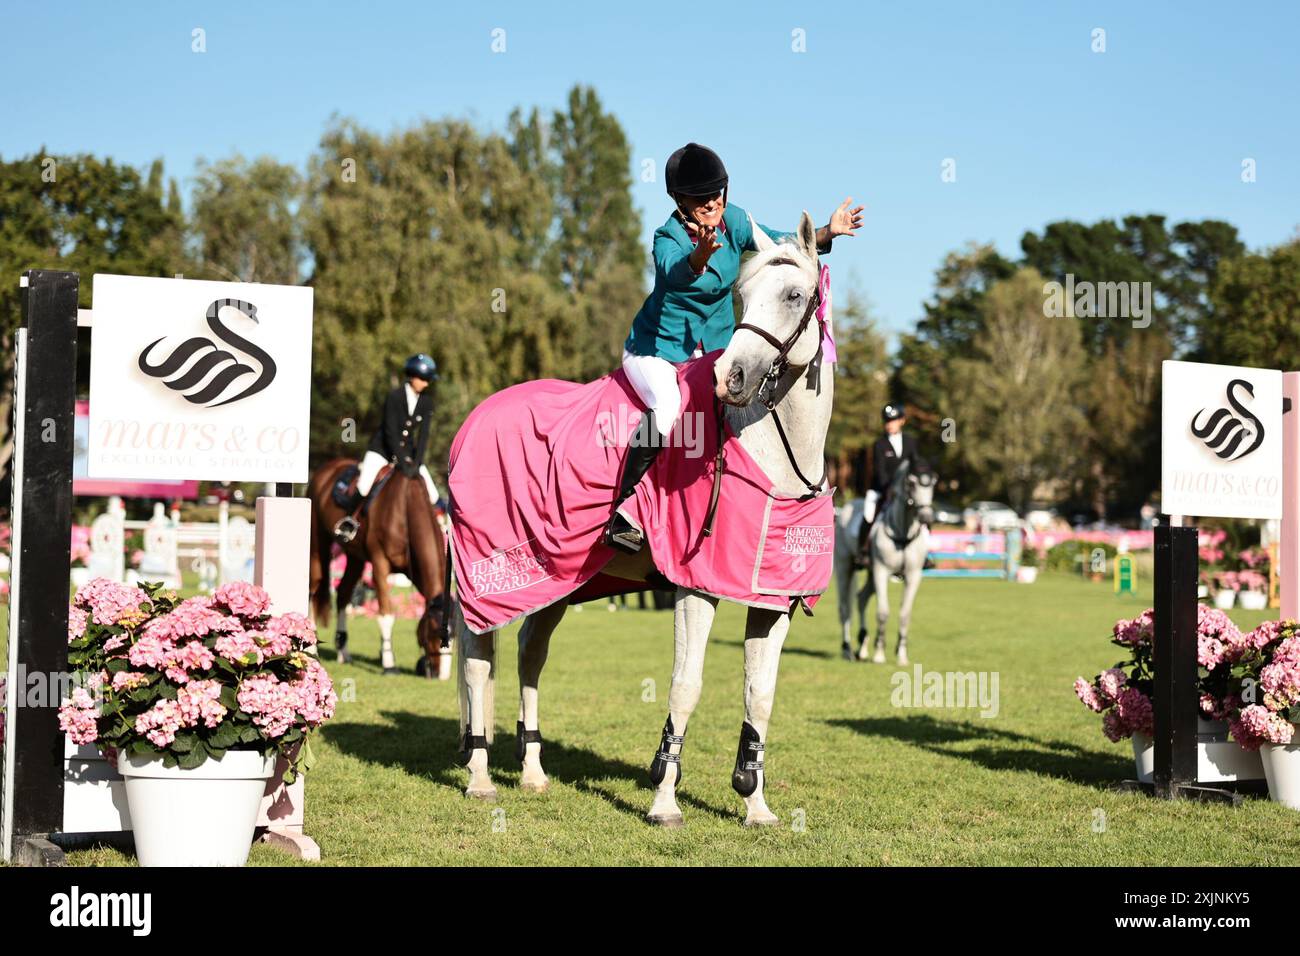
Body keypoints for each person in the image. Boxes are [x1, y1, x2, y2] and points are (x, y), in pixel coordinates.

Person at [605, 141, 865, 552]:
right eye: (700, 197)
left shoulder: (736, 221)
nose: (712, 202)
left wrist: (828, 232)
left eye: (716, 192)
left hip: (714, 351)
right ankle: (624, 508)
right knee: (670, 407)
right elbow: (674, 273)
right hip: (658, 351)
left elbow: (781, 241)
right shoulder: (667, 237)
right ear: (679, 200)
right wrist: (698, 258)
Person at [334, 354, 441, 543]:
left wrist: (416, 463)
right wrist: (400, 460)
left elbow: (423, 436)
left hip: (408, 454)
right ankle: (348, 520)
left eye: (428, 380)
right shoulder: (395, 397)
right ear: (412, 376)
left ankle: (437, 529)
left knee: (432, 493)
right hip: (381, 451)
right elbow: (391, 433)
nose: (426, 384)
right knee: (364, 485)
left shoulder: (426, 403)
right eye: (424, 379)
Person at [855, 402, 919, 566]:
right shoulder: (879, 444)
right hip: (881, 489)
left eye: (893, 420)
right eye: (887, 421)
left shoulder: (911, 442)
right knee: (869, 514)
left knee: (922, 513)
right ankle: (862, 551)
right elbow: (880, 471)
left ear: (902, 421)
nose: (889, 424)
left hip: (905, 491)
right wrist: (889, 488)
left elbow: (915, 465)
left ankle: (925, 555)